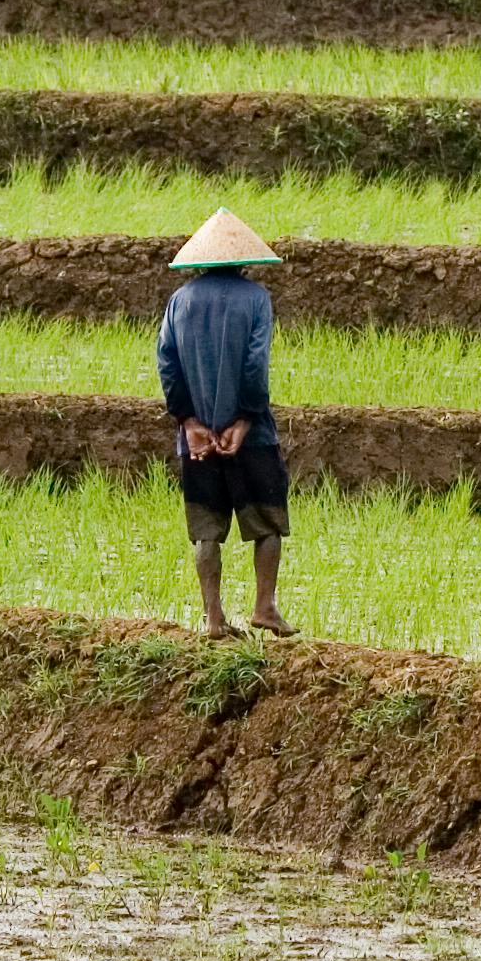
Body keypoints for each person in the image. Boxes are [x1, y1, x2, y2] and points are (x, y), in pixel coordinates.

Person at [158, 207, 295, 639]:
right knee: (267, 523)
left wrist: (188, 421)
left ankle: (213, 618)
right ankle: (265, 607)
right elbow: (254, 366)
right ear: (244, 258)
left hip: (195, 437)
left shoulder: (180, 300)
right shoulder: (256, 299)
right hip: (251, 435)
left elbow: (168, 364)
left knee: (206, 529)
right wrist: (246, 418)